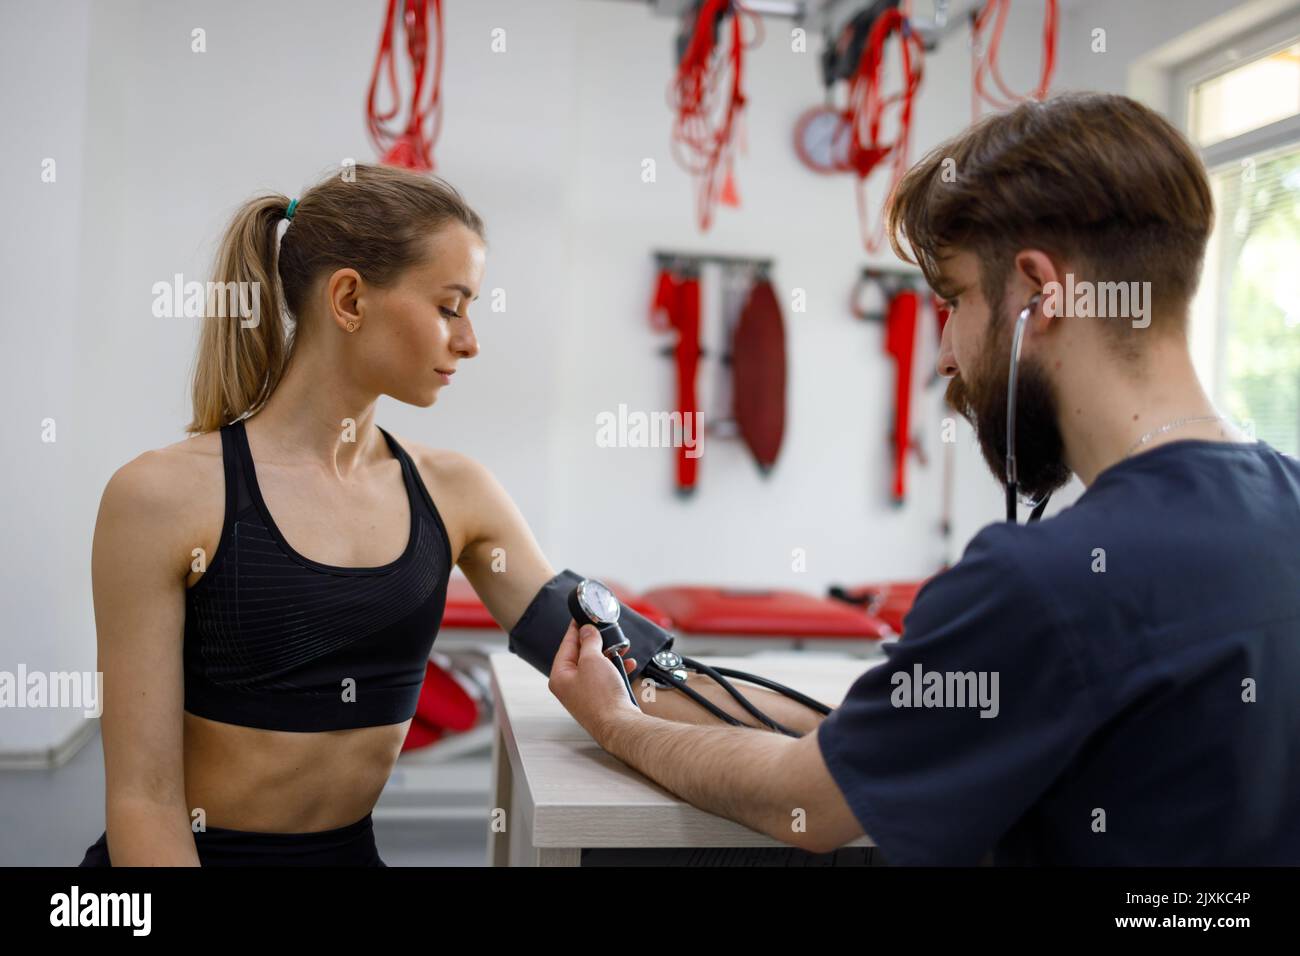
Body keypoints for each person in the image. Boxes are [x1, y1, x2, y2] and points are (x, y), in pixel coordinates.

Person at [548, 91, 1300, 865]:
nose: (943, 354)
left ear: (1041, 293)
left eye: (954, 300)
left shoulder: (1042, 581)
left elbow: (802, 804)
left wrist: (617, 723)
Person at [79, 162, 820, 867]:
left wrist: (834, 732)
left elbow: (634, 666)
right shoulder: (161, 497)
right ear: (348, 300)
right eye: (448, 308)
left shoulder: (456, 491)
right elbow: (143, 802)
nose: (469, 341)